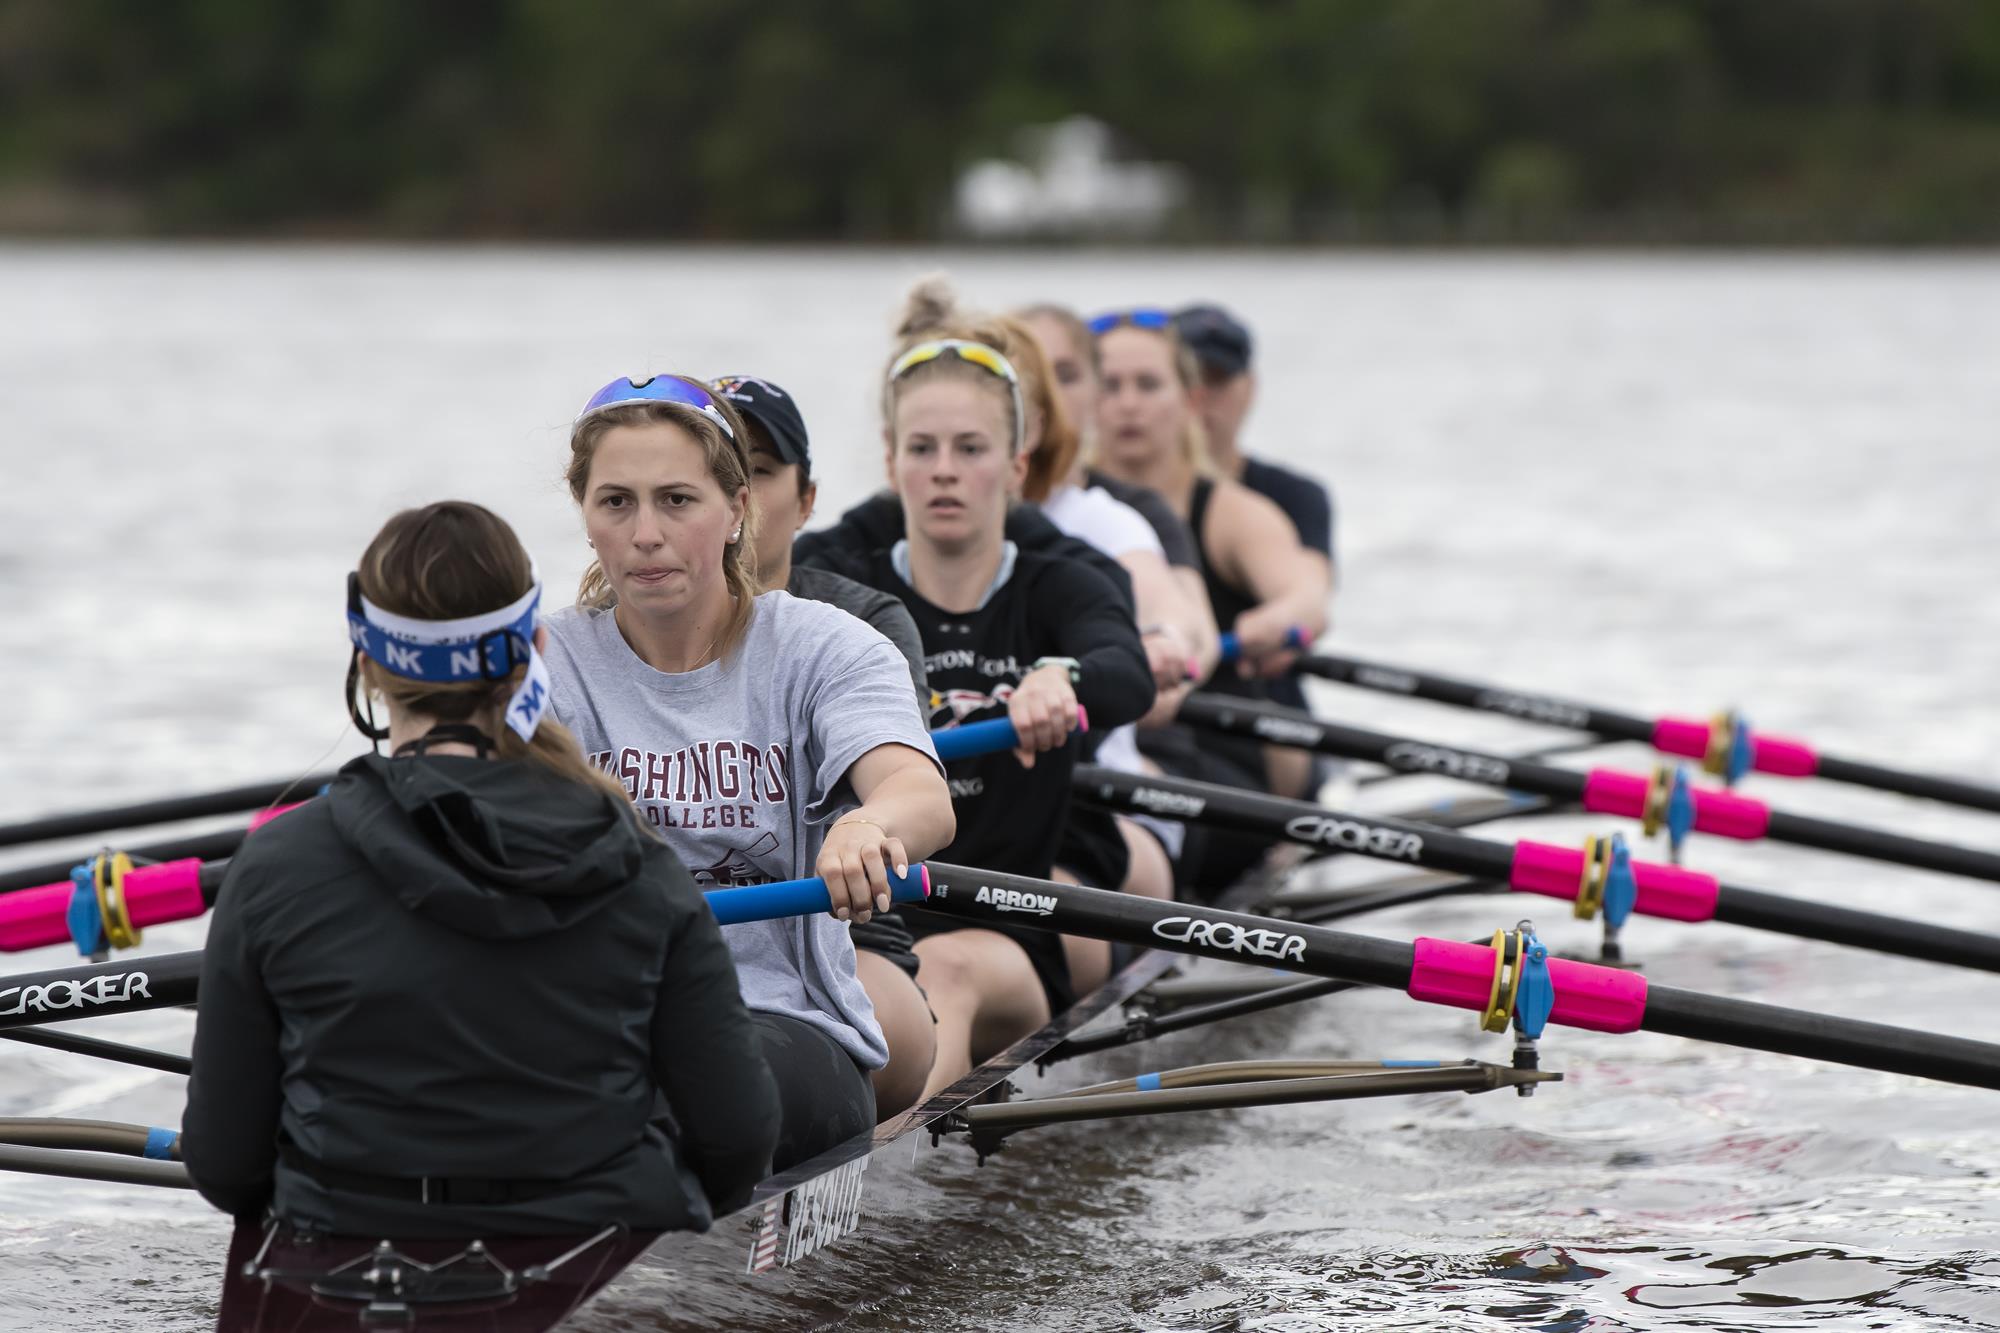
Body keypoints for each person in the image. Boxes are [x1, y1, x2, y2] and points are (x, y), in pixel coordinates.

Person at [182, 500, 779, 1238]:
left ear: (368, 662)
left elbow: (223, 1162)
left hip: (346, 1257)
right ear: (532, 647)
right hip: (592, 1252)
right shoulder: (636, 859)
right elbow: (739, 1138)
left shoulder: (275, 866)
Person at [541, 375, 956, 1168]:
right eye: (616, 502)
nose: (646, 534)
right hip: (602, 1018)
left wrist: (869, 824)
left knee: (663, 1091)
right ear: (586, 515)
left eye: (677, 500)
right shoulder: (545, 662)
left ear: (737, 510)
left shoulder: (827, 646)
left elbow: (921, 796)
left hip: (785, 1022)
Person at [805, 282, 1154, 1098]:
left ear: (1018, 464)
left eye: (971, 448)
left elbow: (1126, 672)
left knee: (947, 970)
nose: (945, 473)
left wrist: (1060, 676)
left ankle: (881, 1189)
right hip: (870, 912)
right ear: (891, 462)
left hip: (1012, 916)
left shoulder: (1060, 581)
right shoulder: (837, 586)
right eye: (922, 449)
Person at [713, 371, 937, 1119]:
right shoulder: (597, 638)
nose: (735, 497)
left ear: (805, 500)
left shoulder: (857, 627)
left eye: (760, 471)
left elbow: (904, 789)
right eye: (714, 472)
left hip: (847, 929)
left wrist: (870, 824)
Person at [1090, 310, 1330, 890]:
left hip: (1209, 751)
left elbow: (1307, 597)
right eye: (1109, 385)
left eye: (1147, 386)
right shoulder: (1056, 506)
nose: (1127, 404)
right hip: (1097, 747)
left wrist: (1275, 621)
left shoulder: (1230, 511)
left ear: (1187, 400)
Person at [1173, 302, 1338, 726]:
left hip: (1259, 705)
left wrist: (1282, 619)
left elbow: (1312, 592)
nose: (1202, 401)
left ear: (1249, 389)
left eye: (1217, 381)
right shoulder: (1110, 500)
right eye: (1189, 380)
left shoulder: (1294, 495)